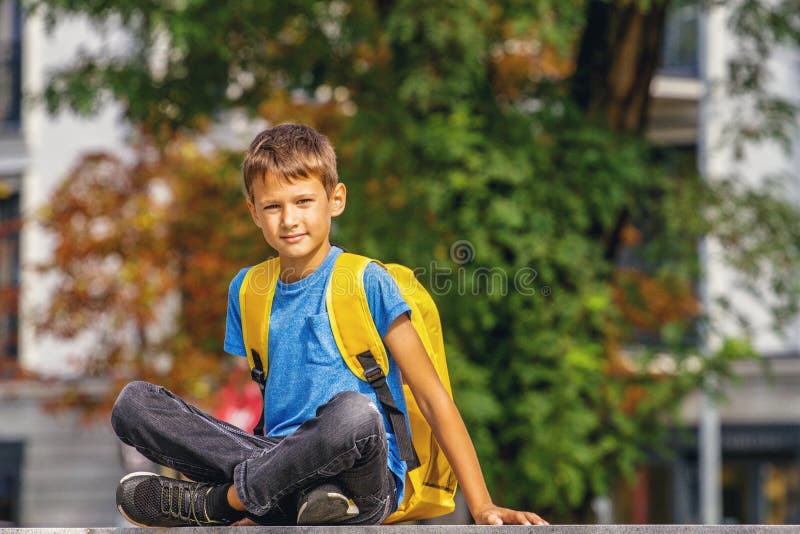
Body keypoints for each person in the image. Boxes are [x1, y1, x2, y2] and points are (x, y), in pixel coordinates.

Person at [111, 123, 548, 527]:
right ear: (253, 212)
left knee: (355, 414)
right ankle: (286, 497)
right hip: (281, 466)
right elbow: (273, 404)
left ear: (335, 199)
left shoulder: (367, 281)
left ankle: (218, 504)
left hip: (363, 480)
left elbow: (433, 398)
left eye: (303, 201)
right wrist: (270, 463)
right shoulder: (248, 290)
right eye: (273, 206)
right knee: (134, 403)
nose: (289, 219)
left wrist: (483, 503)